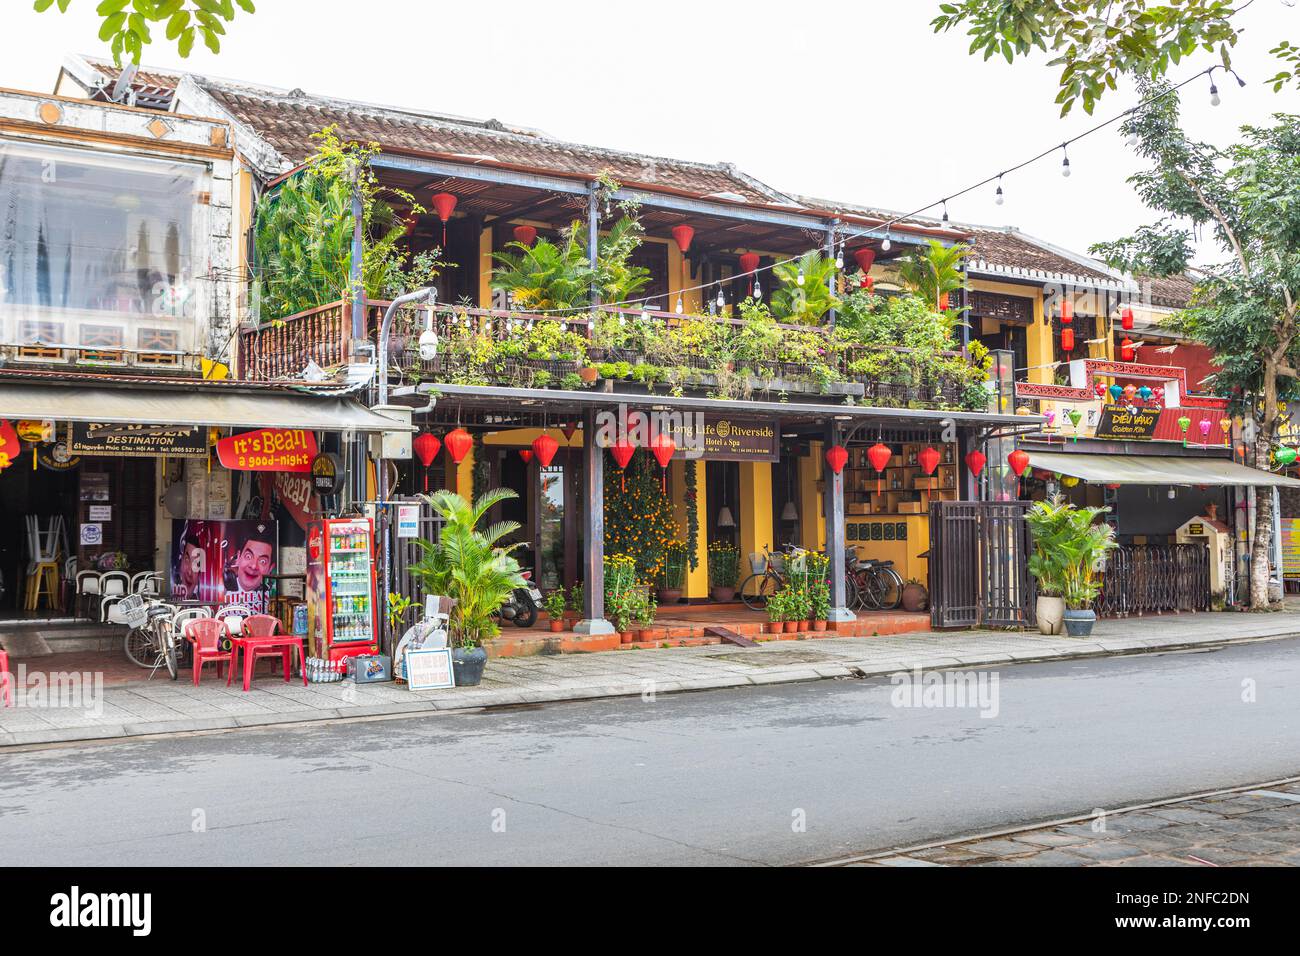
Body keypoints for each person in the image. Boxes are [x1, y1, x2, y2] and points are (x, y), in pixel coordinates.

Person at [224, 524, 276, 605]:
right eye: (248, 556)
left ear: (270, 569)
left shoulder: (270, 600)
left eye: (262, 562)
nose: (254, 566)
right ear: (238, 557)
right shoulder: (220, 593)